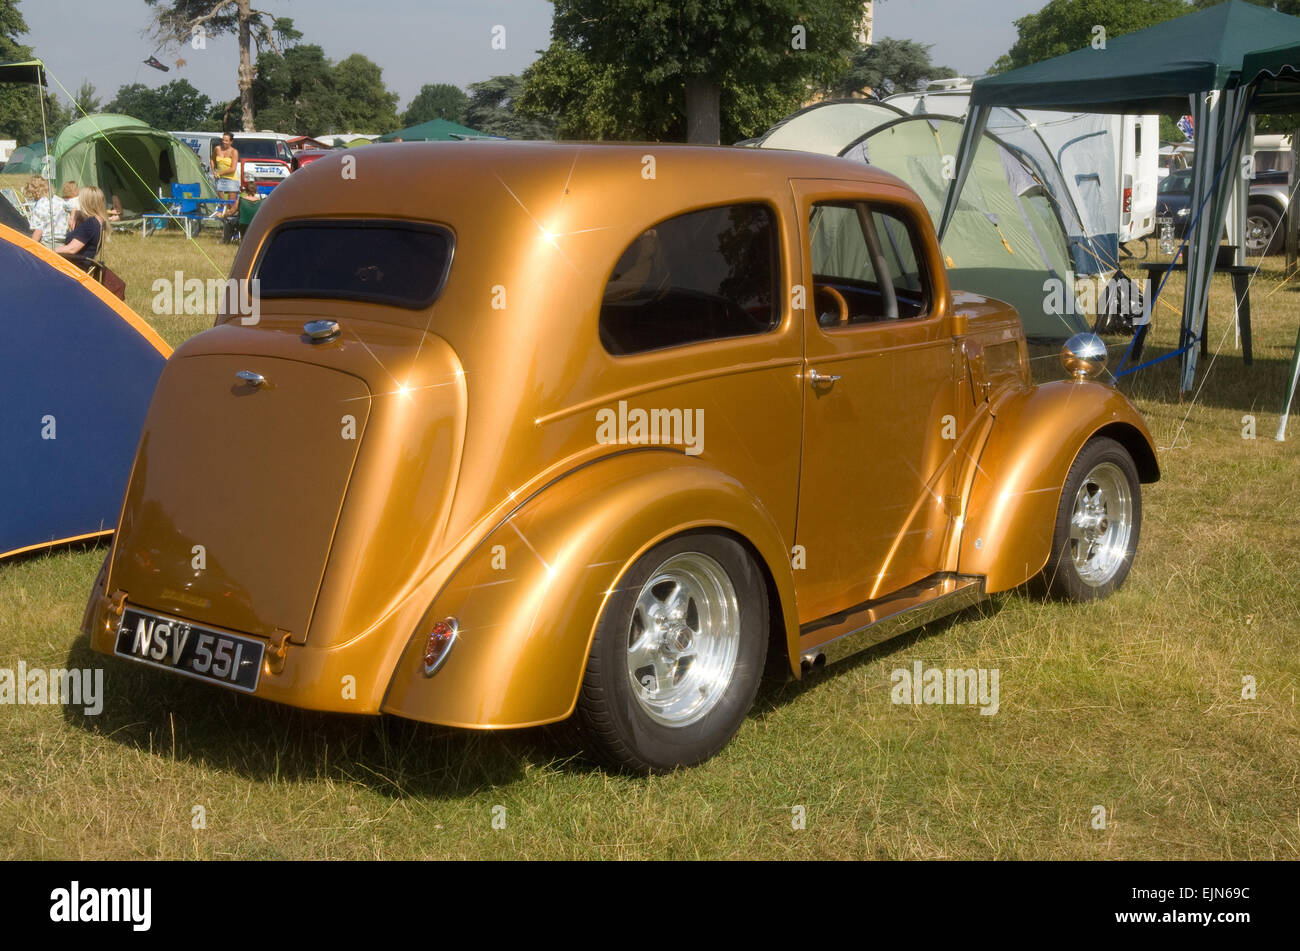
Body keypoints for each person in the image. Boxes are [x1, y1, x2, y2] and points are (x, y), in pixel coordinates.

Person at [56, 185, 109, 259]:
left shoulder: (91, 223)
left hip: (75, 265)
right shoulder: (99, 221)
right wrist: (75, 213)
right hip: (81, 262)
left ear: (86, 202)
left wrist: (49, 250)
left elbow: (71, 249)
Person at [24, 176, 69, 248]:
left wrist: (30, 247)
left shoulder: (40, 205)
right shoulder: (59, 200)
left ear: (34, 192)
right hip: (62, 240)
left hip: (46, 242)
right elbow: (72, 208)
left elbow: (39, 230)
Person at [212, 132, 240, 216]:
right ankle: (224, 219)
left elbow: (232, 169)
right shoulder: (217, 148)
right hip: (220, 179)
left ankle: (230, 220)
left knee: (232, 204)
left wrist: (219, 173)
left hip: (231, 179)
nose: (224, 142)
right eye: (223, 140)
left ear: (231, 142)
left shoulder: (234, 152)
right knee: (222, 204)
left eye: (226, 140)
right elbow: (212, 159)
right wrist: (213, 171)